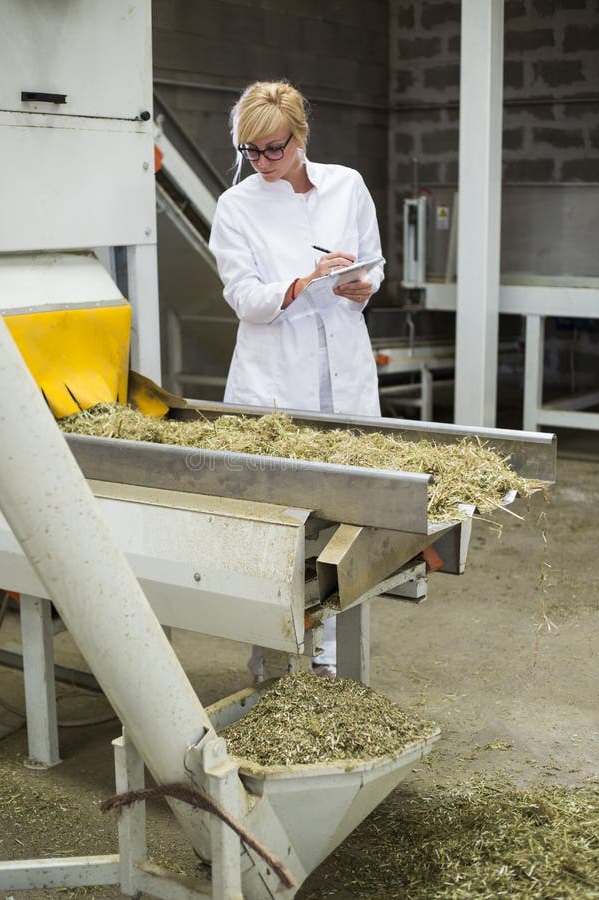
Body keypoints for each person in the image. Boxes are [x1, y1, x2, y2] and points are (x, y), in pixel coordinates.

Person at [209, 80, 385, 678]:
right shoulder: (237, 206)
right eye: (251, 152)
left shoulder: (347, 185)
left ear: (300, 137)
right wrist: (302, 281)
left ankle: (329, 662)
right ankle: (271, 653)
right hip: (275, 380)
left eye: (273, 149)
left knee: (340, 525)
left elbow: (374, 262)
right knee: (278, 526)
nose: (262, 163)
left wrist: (364, 285)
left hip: (343, 377)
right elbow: (243, 298)